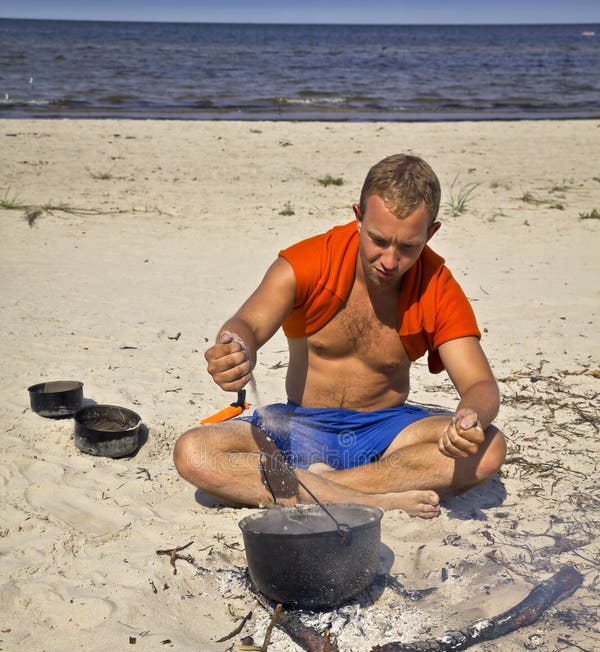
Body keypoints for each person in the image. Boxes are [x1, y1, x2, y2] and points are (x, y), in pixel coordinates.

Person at [174, 154, 506, 518]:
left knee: (489, 448)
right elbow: (247, 325)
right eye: (379, 240)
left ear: (431, 233)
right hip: (297, 425)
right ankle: (369, 499)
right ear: (359, 217)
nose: (390, 261)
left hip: (386, 431)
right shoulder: (309, 261)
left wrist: (470, 418)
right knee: (193, 451)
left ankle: (325, 487)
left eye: (408, 247)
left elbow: (479, 384)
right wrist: (235, 349)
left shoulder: (437, 286)